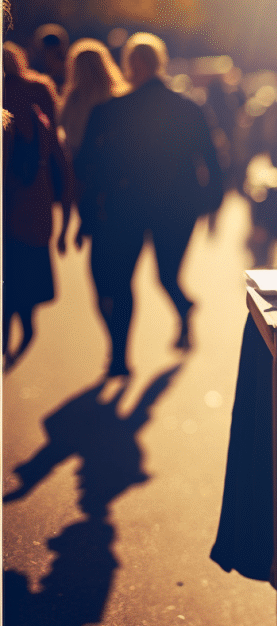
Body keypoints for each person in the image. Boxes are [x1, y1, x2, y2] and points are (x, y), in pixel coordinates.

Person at [75, 32, 223, 377]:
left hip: (127, 205)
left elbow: (88, 164)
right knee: (167, 275)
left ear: (133, 65)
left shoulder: (112, 110)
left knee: (121, 281)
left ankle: (119, 356)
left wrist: (87, 213)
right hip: (178, 205)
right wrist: (210, 202)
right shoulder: (188, 107)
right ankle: (183, 308)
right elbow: (212, 157)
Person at [3, 42, 74, 369]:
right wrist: (68, 216)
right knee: (27, 261)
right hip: (33, 194)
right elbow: (57, 150)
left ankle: (6, 331)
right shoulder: (39, 89)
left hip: (12, 192)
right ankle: (25, 324)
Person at [58, 38, 130, 159]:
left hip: (78, 162)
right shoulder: (116, 97)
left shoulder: (73, 98)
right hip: (106, 161)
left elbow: (63, 128)